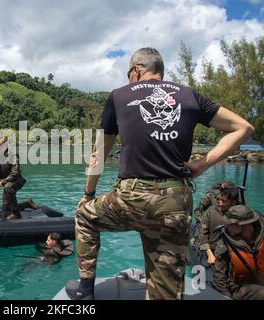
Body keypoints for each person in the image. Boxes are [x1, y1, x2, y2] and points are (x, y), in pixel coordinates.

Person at [66, 47, 255, 300]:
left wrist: (88, 194)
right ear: (160, 72)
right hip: (175, 203)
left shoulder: (117, 96)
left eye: (128, 74)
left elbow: (98, 153)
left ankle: (86, 292)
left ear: (136, 70)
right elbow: (243, 128)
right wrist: (202, 164)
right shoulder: (189, 96)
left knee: (85, 216)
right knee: (165, 293)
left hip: (130, 199)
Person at [212, 205, 264, 300]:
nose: (226, 226)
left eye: (230, 224)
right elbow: (219, 275)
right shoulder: (224, 242)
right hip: (241, 288)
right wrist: (226, 296)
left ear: (244, 225)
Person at [0, 137, 26, 219]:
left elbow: (15, 173)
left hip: (17, 180)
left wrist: (1, 182)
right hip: (6, 182)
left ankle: (17, 214)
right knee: (6, 206)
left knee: (8, 188)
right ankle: (27, 204)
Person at [199, 186, 240, 265]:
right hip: (214, 249)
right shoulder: (211, 211)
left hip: (233, 250)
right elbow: (203, 234)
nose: (220, 203)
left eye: (224, 201)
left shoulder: (240, 214)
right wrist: (209, 254)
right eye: (220, 199)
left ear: (233, 203)